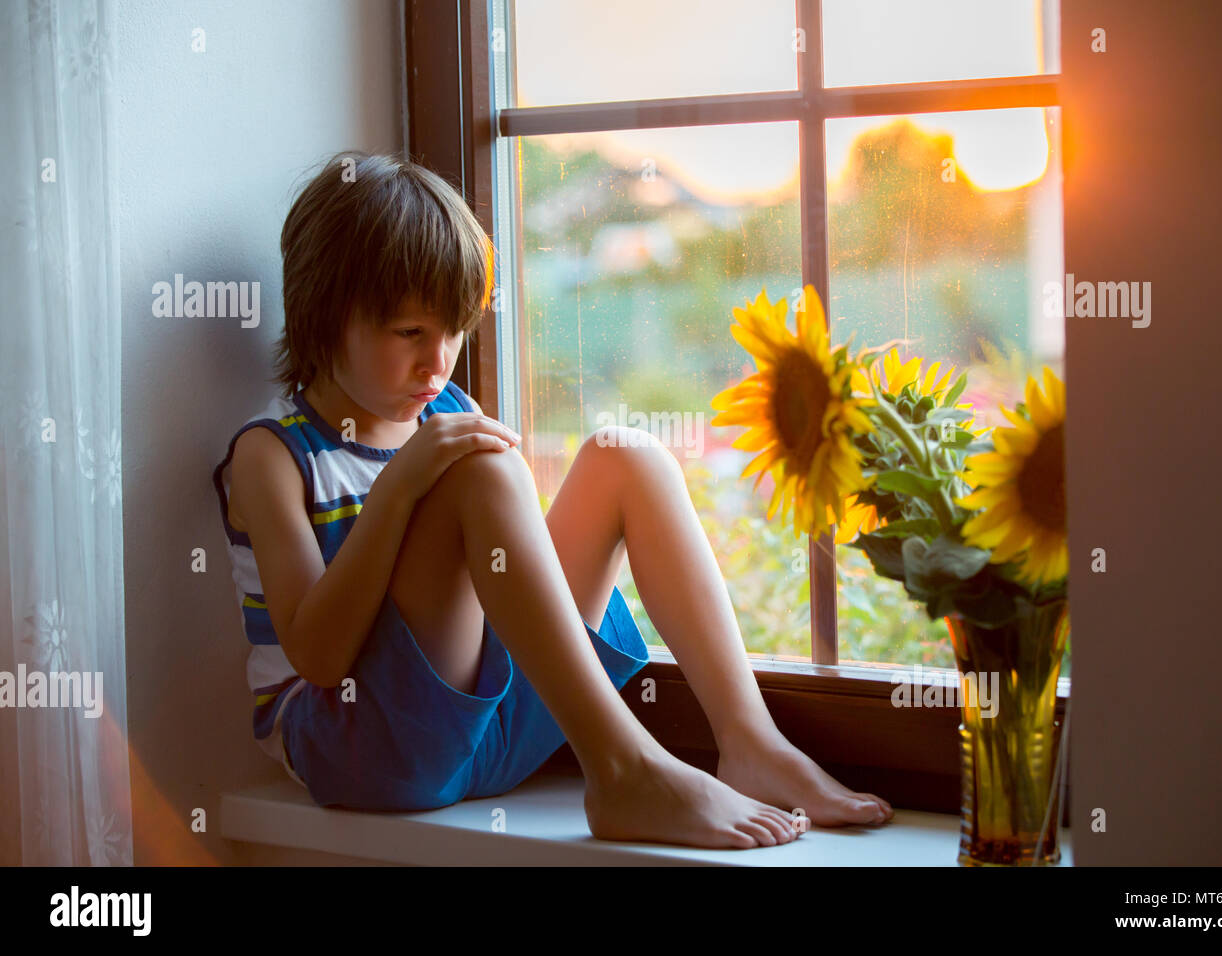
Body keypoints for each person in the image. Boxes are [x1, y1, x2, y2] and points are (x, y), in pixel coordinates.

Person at [211, 150, 893, 849]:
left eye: (453, 330)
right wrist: (400, 488)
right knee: (484, 472)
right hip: (366, 747)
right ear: (325, 318)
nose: (437, 360)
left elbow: (509, 583)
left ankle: (749, 739)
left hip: (486, 729)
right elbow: (321, 660)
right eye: (409, 333)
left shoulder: (442, 409)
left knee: (626, 455)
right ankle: (624, 767)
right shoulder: (274, 456)